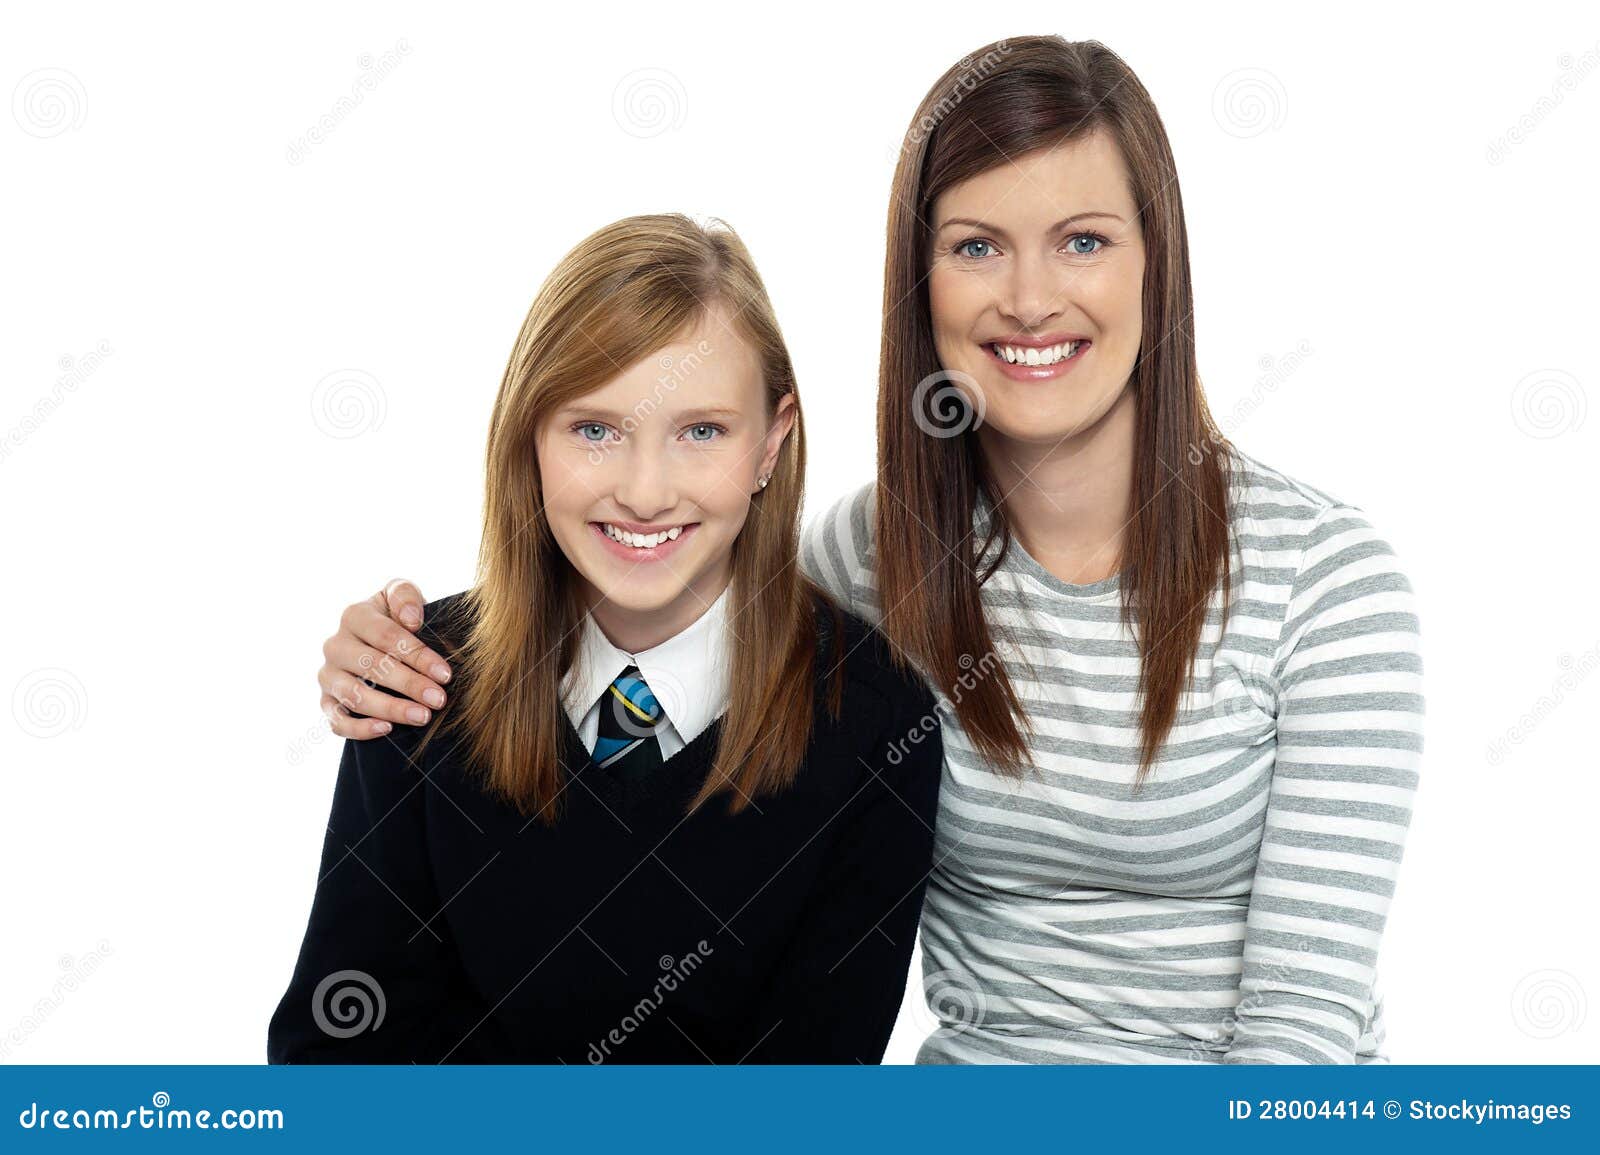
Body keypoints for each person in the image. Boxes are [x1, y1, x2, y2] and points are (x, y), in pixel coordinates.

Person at [311, 37, 1423, 1065]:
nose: (1030, 299)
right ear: (920, 281)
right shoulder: (866, 556)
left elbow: (1302, 1027)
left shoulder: (1324, 584)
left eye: (1083, 241)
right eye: (975, 246)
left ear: (1155, 265)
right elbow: (655, 603)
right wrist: (400, 653)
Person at [269, 213, 942, 1064]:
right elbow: (332, 1057)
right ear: (532, 438)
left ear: (773, 441)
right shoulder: (417, 675)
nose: (645, 491)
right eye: (595, 430)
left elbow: (807, 1096)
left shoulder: (874, 721)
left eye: (702, 432)